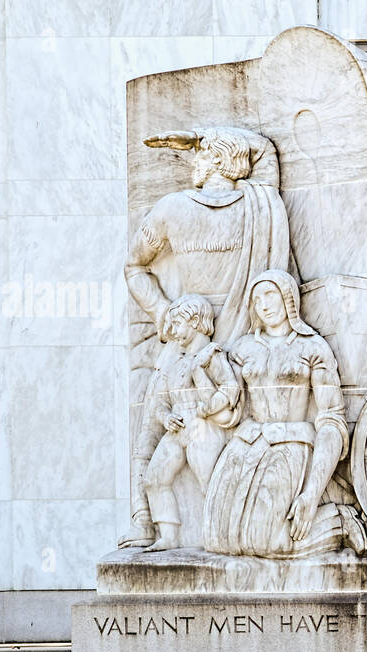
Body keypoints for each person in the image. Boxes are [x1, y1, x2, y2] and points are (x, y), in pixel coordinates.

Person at [119, 125, 294, 548]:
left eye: (200, 152)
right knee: (158, 437)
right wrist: (167, 314)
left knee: (159, 439)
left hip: (223, 346)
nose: (193, 158)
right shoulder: (257, 202)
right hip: (207, 341)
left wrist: (197, 134)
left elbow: (134, 268)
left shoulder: (242, 204)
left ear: (216, 159)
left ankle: (170, 525)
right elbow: (265, 150)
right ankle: (163, 525)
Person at [203, 270, 350, 557]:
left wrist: (312, 493)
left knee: (267, 540)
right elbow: (230, 407)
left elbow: (332, 419)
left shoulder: (313, 347)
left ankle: (338, 521)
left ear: (288, 298)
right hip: (245, 446)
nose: (264, 305)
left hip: (291, 445)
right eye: (257, 300)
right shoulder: (243, 348)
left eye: (270, 295)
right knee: (217, 538)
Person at [134, 294, 240, 551]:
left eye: (177, 324)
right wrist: (165, 417)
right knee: (154, 478)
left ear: (194, 322)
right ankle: (169, 536)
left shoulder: (211, 355)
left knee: (209, 485)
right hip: (178, 428)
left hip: (203, 428)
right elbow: (161, 402)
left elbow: (230, 388)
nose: (172, 332)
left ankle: (220, 537)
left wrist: (209, 407)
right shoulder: (175, 363)